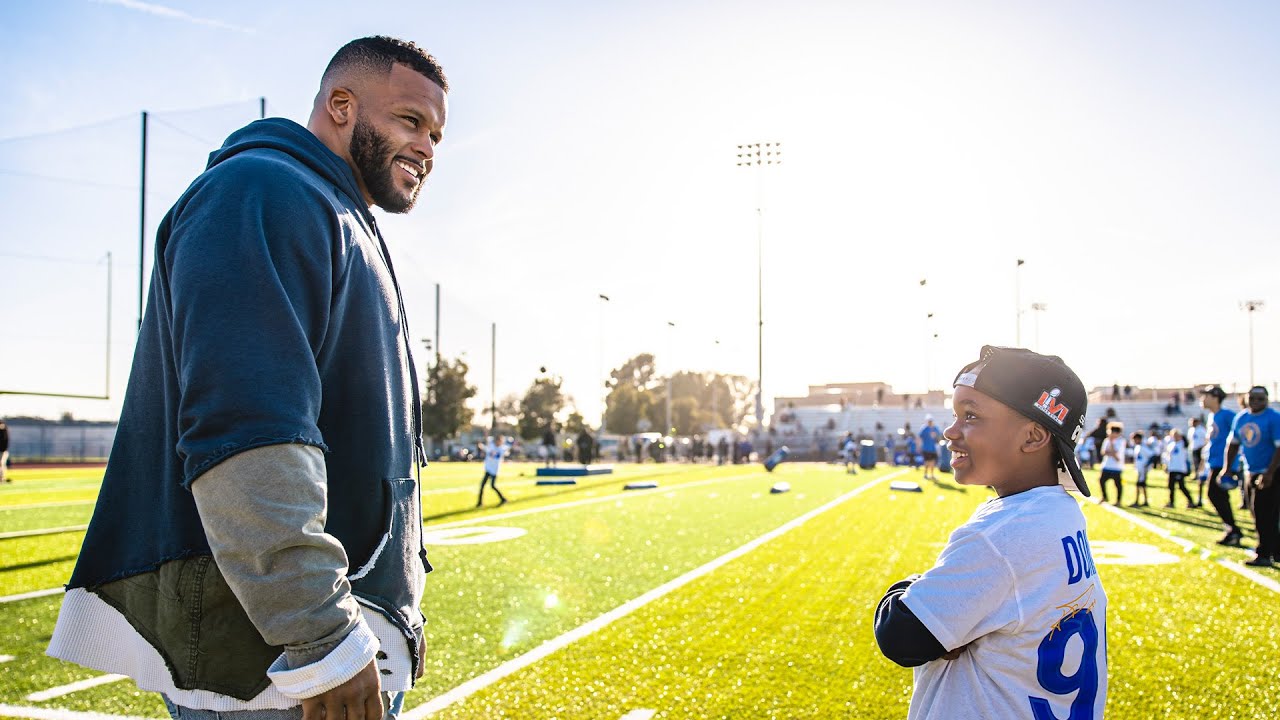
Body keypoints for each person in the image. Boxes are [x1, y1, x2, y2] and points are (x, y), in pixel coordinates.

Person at [47, 37, 449, 719]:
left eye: (437, 133)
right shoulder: (261, 190)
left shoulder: (334, 211)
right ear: (341, 106)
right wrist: (319, 634)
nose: (428, 147)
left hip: (328, 641)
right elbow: (249, 428)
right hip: (278, 664)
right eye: (410, 120)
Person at [874, 346, 1107, 719]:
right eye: (955, 415)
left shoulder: (998, 537)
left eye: (971, 416)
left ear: (1033, 437)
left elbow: (901, 636)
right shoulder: (1062, 512)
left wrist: (907, 589)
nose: (950, 431)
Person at [1224, 386, 1280, 567]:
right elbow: (1232, 444)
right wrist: (1227, 468)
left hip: (1270, 471)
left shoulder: (1273, 418)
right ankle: (1275, 551)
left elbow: (1279, 448)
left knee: (1264, 513)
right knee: (1257, 512)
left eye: (1260, 398)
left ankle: (1264, 553)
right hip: (1251, 470)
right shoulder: (1241, 418)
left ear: (1267, 399)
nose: (1256, 402)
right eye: (1252, 398)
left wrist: (1269, 473)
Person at [1201, 385, 1244, 546]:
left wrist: (1232, 465)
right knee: (1218, 496)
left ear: (1215, 397)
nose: (1202, 399)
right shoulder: (1213, 416)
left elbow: (1240, 433)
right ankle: (1232, 530)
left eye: (1205, 396)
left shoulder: (1227, 415)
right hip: (1214, 462)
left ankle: (1233, 530)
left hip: (1224, 464)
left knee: (1214, 494)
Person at [1163, 429, 1195, 508]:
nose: (1175, 437)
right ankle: (1171, 502)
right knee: (1171, 486)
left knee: (1181, 486)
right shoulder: (1171, 445)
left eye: (1177, 435)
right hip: (1172, 468)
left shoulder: (1183, 444)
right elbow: (1168, 456)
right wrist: (1166, 465)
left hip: (1180, 468)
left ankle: (1191, 501)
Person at [478, 436, 510, 507]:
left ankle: (503, 499)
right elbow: (486, 448)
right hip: (488, 469)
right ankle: (479, 503)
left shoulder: (502, 449)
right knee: (482, 486)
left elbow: (507, 451)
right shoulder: (491, 446)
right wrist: (481, 445)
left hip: (495, 470)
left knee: (492, 486)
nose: (498, 442)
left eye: (500, 441)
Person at [1098, 422, 1126, 504]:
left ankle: (1118, 500)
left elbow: (1115, 453)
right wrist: (1111, 452)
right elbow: (1103, 452)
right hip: (1106, 465)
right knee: (1101, 481)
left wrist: (1111, 445)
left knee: (1117, 484)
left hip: (1116, 466)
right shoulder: (1106, 440)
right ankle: (1105, 496)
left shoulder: (1120, 441)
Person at [1187, 416, 1207, 506]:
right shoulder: (1191, 430)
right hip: (1195, 451)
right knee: (1199, 476)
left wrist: (1202, 450)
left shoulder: (1201, 430)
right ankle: (1199, 498)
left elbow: (1205, 440)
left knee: (1202, 474)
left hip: (1201, 453)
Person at [1129, 431, 1153, 507]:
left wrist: (1146, 465)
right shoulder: (1138, 447)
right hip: (1140, 469)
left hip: (1143, 470)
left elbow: (1152, 455)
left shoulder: (1143, 447)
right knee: (1142, 485)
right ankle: (1144, 500)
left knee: (1139, 485)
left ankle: (1138, 501)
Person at [918, 416, 941, 481]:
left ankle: (932, 474)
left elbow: (939, 436)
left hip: (933, 448)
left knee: (932, 461)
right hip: (926, 448)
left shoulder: (935, 428)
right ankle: (925, 474)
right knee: (927, 461)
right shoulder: (924, 428)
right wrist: (919, 446)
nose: (930, 422)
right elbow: (920, 437)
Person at [0, 419, 9, 483]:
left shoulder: (3, 428)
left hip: (2, 450)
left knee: (1, 464)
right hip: (3, 450)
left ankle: (2, 478)